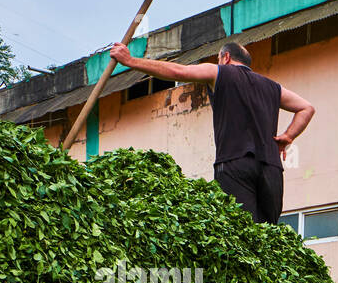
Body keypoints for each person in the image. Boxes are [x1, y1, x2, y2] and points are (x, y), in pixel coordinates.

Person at [108, 41, 315, 224]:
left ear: (225, 57)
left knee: (239, 231)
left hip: (235, 163)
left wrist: (130, 61)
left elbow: (178, 72)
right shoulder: (273, 87)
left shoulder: (219, 72)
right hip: (271, 169)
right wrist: (287, 137)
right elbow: (306, 108)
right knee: (268, 234)